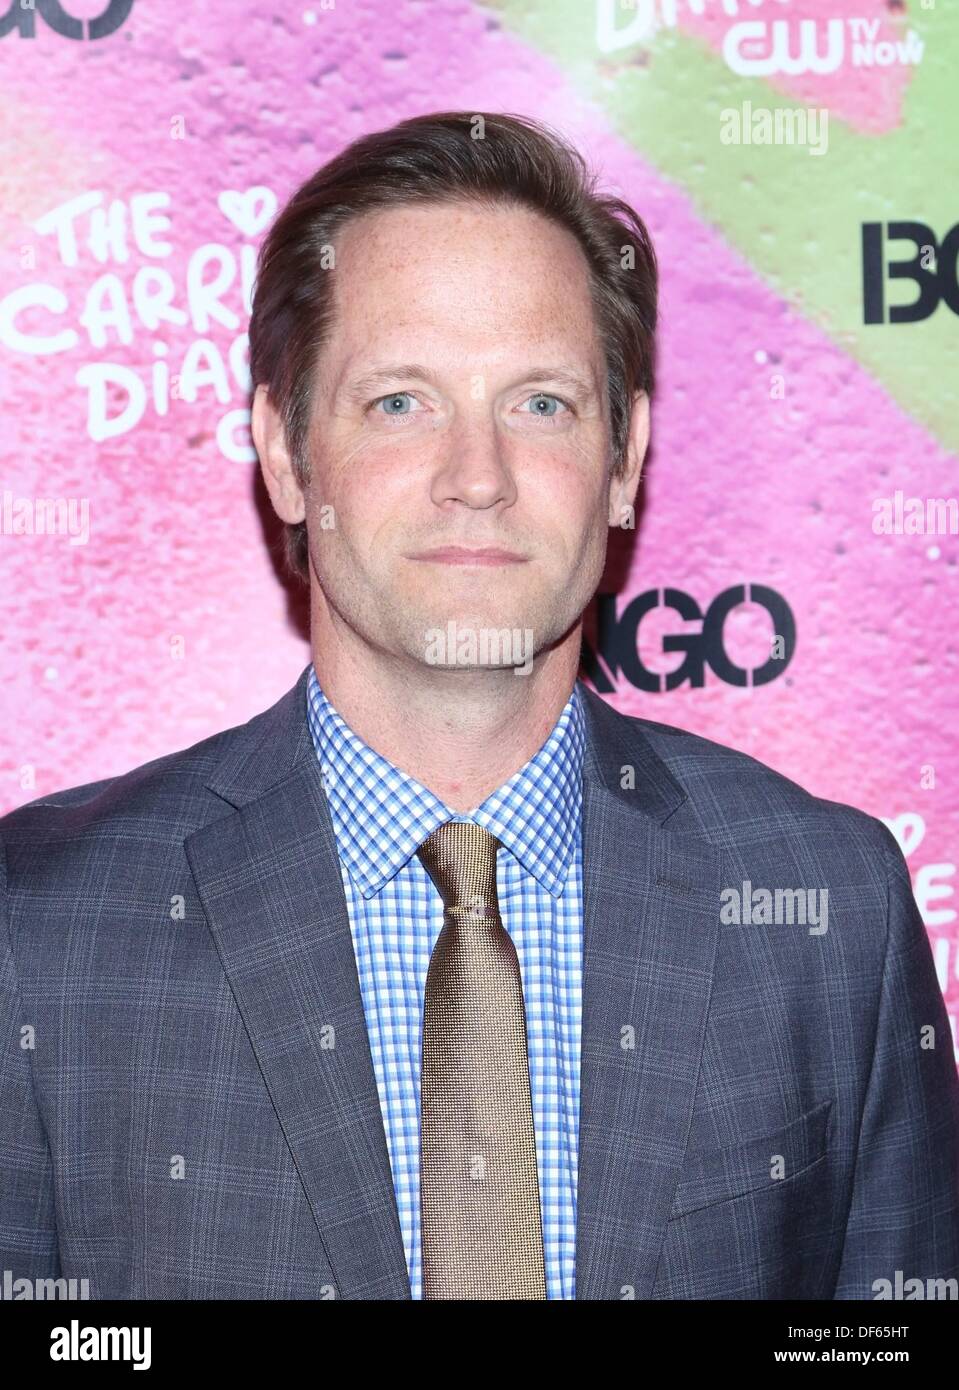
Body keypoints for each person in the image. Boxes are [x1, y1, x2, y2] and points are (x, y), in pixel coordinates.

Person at [1, 111, 956, 1301]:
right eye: (400, 401)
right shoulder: (38, 931)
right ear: (286, 456)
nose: (477, 475)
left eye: (540, 404)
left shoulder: (828, 908)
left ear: (623, 462)